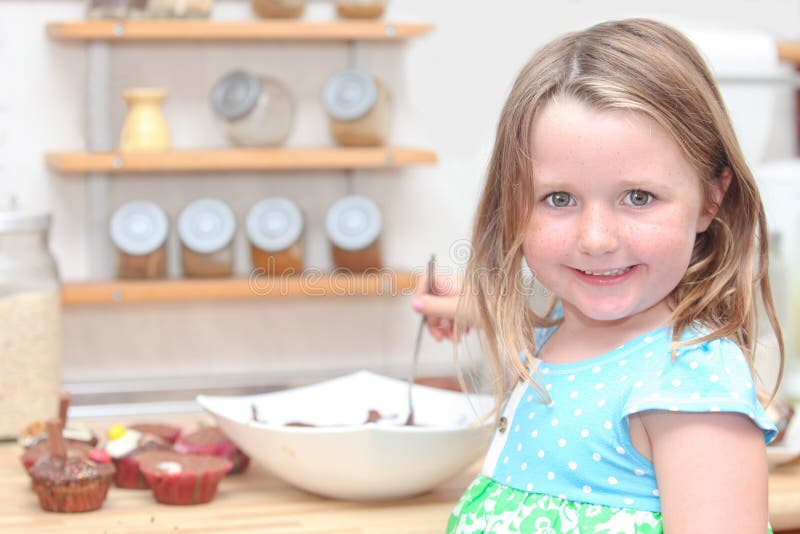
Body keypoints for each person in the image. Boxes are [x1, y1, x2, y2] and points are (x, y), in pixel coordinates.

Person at [414, 18, 785, 533]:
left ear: (711, 198)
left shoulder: (690, 390)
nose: (596, 239)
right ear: (515, 204)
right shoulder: (564, 334)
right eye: (559, 199)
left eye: (638, 197)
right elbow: (577, 346)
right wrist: (478, 307)